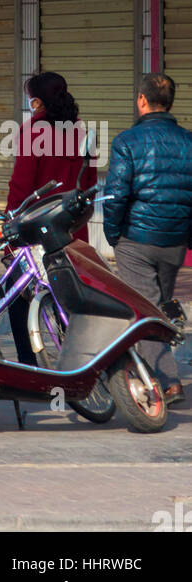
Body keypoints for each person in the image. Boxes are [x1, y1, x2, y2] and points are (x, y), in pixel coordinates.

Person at [103, 73, 192, 405]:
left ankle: (167, 383)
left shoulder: (128, 141)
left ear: (142, 100)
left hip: (137, 240)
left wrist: (115, 236)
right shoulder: (189, 141)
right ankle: (159, 377)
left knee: (147, 312)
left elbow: (116, 195)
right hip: (174, 241)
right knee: (159, 309)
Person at [5, 72, 96, 364]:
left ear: (37, 100)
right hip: (72, 229)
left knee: (17, 292)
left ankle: (29, 366)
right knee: (70, 295)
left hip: (37, 229)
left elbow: (20, 186)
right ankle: (81, 360)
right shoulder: (82, 130)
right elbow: (89, 183)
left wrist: (10, 232)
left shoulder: (32, 131)